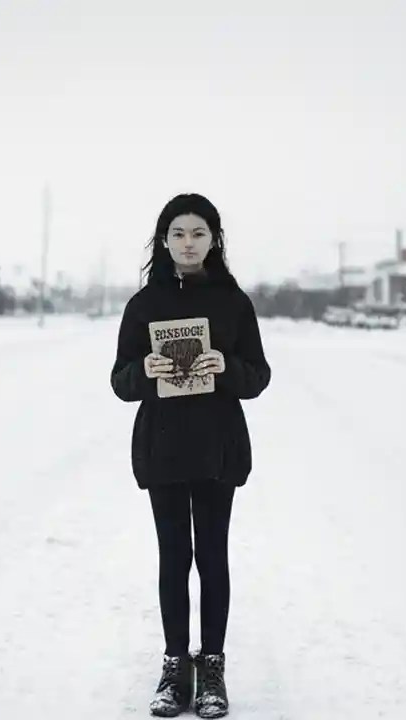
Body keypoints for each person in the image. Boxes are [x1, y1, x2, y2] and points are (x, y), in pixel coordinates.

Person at [110, 193, 271, 718]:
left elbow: (258, 376)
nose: (187, 243)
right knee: (174, 557)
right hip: (163, 446)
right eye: (178, 233)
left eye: (198, 233)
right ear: (163, 240)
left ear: (213, 240)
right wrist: (144, 371)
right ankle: (176, 664)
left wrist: (227, 367)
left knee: (213, 556)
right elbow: (120, 382)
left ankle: (213, 667)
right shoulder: (143, 306)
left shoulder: (234, 302)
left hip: (218, 446)